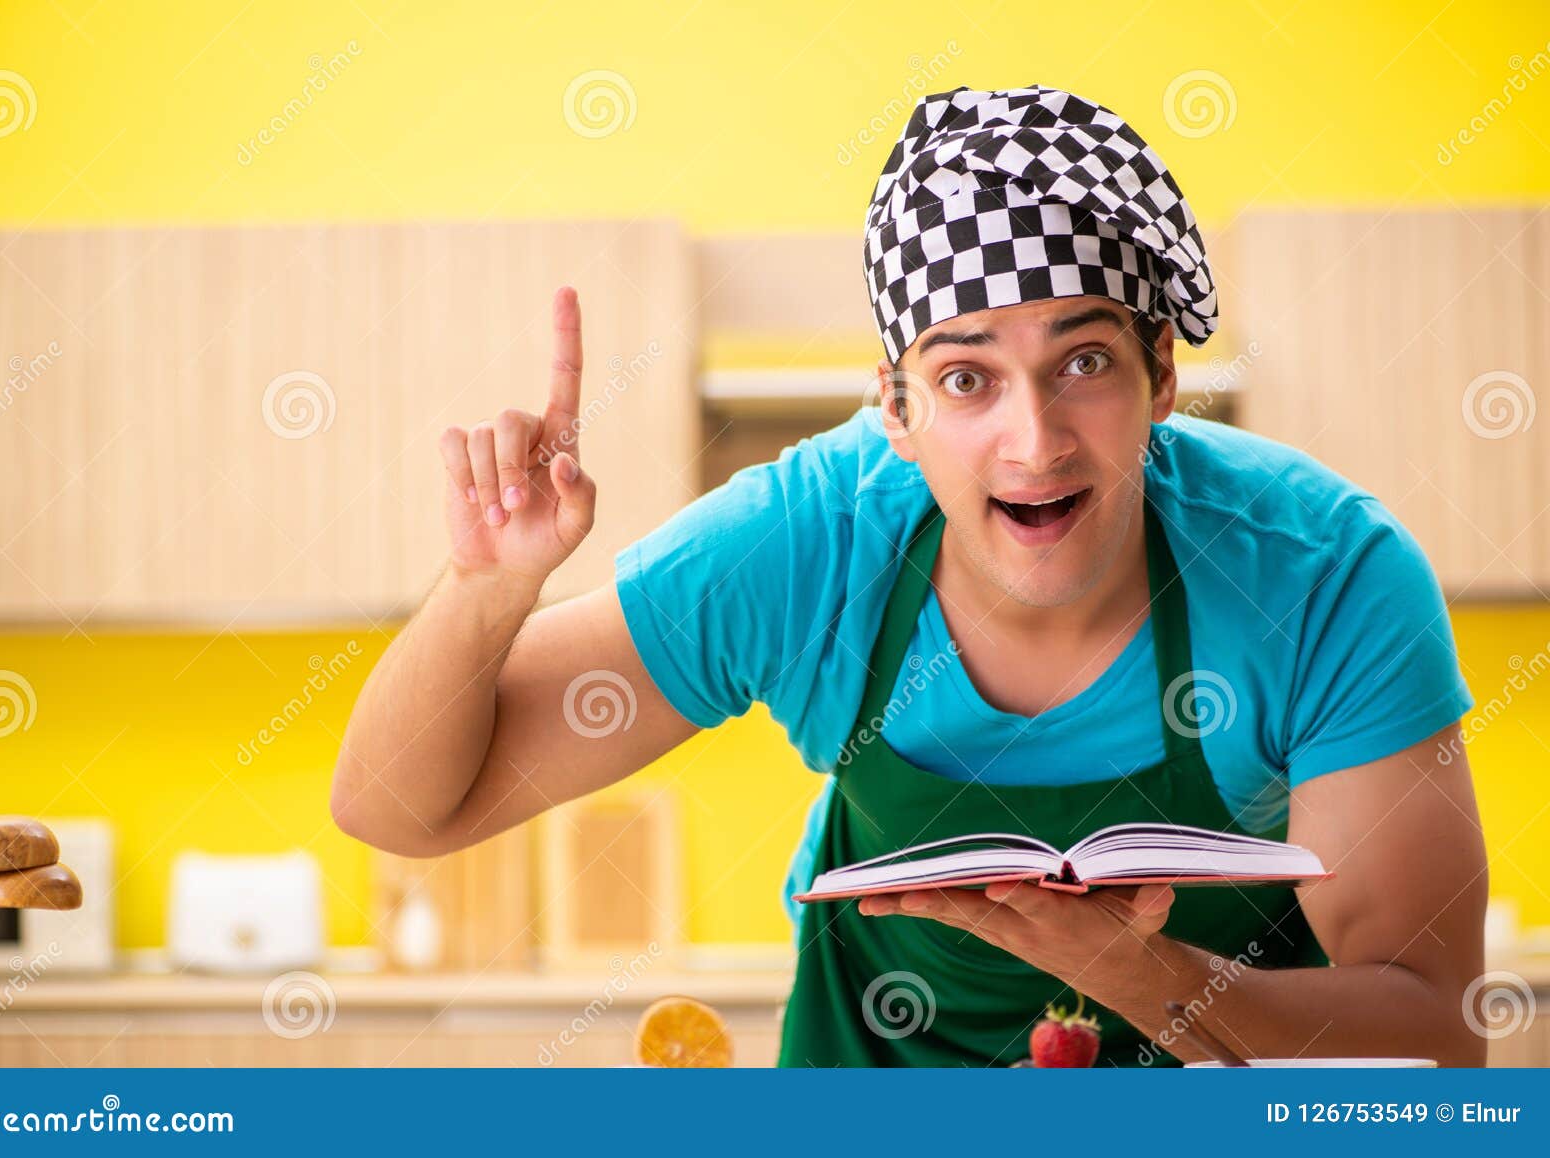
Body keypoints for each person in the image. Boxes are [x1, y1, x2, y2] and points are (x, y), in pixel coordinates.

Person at [331, 84, 1486, 1067]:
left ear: (1160, 381)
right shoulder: (807, 543)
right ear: (896, 406)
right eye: (968, 378)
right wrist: (488, 586)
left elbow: (1431, 1031)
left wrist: (1145, 975)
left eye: (1082, 361)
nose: (1034, 444)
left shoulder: (1322, 572)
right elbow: (393, 808)